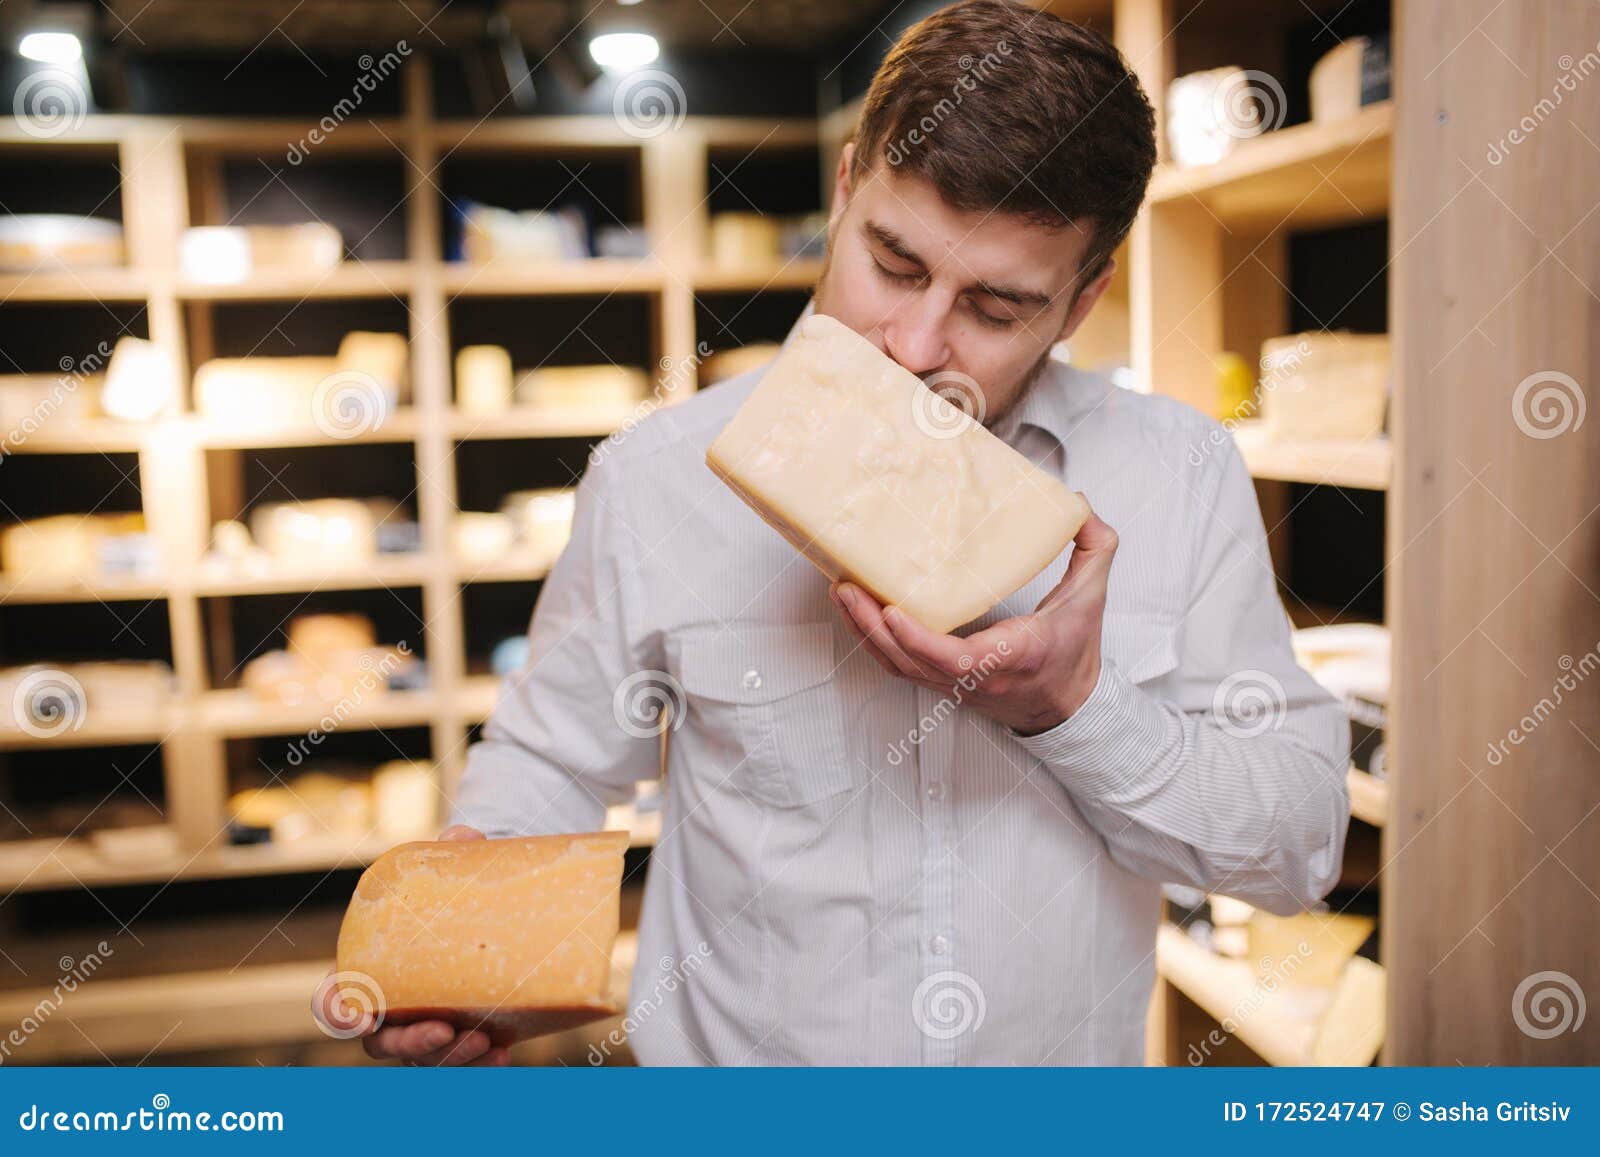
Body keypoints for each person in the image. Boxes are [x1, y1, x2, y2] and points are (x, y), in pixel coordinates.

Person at [323, 0, 1350, 1066]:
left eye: (994, 309)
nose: (912, 346)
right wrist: (466, 945)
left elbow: (1298, 845)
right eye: (893, 264)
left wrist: (1076, 707)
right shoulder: (656, 475)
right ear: (847, 183)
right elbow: (556, 762)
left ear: (1082, 300)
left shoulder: (1175, 475)